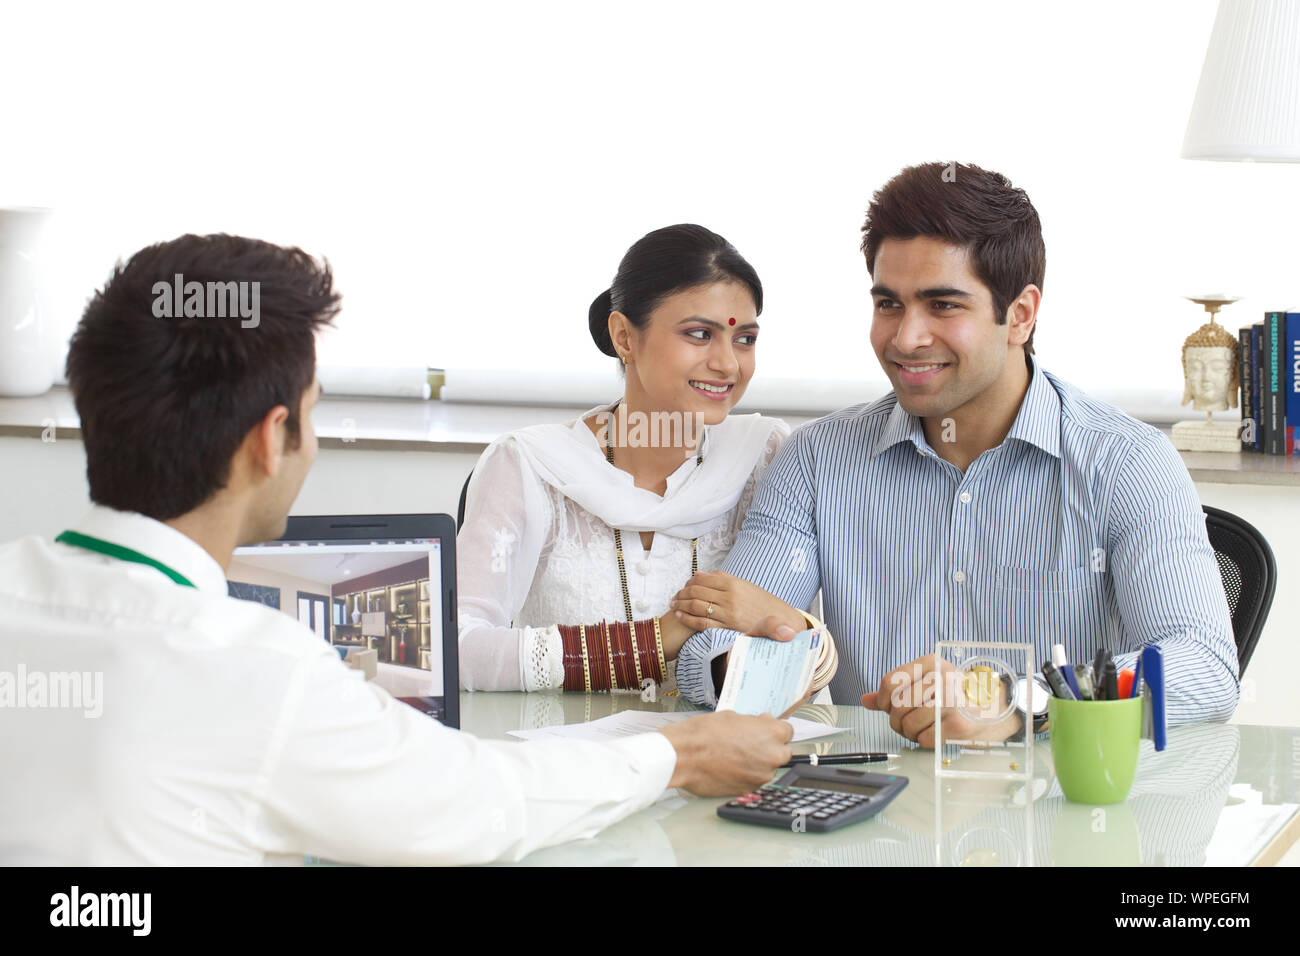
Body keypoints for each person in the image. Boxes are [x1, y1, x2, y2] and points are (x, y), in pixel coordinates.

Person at [0, 234, 794, 866]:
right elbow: (474, 807)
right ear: (270, 442)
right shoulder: (261, 670)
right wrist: (673, 755)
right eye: (312, 412)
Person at [673, 163, 1239, 746]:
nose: (905, 337)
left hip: (1050, 817)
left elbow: (1204, 669)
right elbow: (710, 645)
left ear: (1019, 315)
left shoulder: (1128, 462)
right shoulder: (817, 460)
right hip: (866, 814)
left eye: (942, 305)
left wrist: (1015, 702)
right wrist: (761, 660)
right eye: (889, 304)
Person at [457, 224, 834, 693]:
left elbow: (780, 648)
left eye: (744, 339)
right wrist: (656, 641)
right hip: (565, 757)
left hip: (720, 755)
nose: (729, 364)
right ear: (624, 337)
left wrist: (795, 628)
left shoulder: (768, 455)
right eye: (700, 334)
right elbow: (456, 651)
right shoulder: (529, 466)